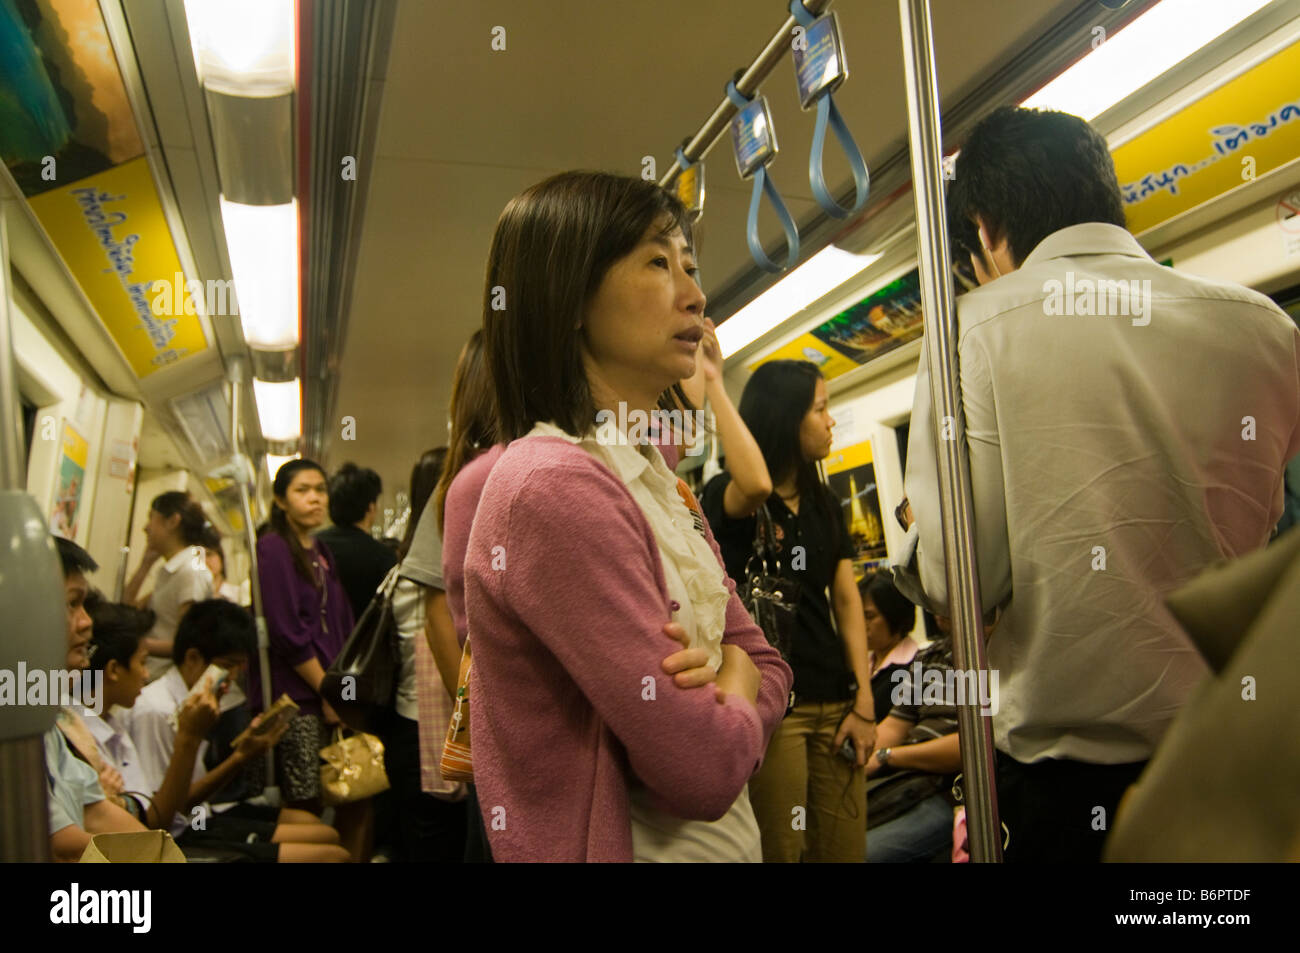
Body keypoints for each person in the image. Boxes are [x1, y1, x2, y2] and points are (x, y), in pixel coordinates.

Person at [897, 105, 1300, 862]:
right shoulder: (1266, 328)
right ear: (1105, 193)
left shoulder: (973, 331)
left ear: (982, 227)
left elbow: (959, 577)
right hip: (1239, 754)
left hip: (1065, 785)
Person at [468, 170, 793, 862]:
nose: (696, 295)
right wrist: (739, 685)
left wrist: (736, 676)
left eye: (690, 265)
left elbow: (767, 657)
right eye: (656, 261)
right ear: (571, 296)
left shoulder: (655, 478)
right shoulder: (553, 486)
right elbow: (701, 768)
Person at [700, 359, 876, 863]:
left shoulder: (824, 501)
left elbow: (846, 600)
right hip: (777, 711)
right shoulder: (730, 498)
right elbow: (755, 485)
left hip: (836, 702)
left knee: (845, 850)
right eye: (820, 409)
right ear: (786, 417)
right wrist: (713, 380)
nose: (830, 421)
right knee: (783, 850)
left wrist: (863, 699)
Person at [91, 597, 346, 862]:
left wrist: (242, 751)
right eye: (226, 667)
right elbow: (165, 814)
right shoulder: (155, 710)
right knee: (330, 854)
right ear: (192, 657)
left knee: (321, 831)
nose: (146, 675)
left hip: (200, 817)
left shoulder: (175, 707)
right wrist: (235, 756)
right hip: (184, 832)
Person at [254, 459, 363, 857]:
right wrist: (326, 691)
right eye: (303, 490)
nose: (315, 498)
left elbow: (340, 623)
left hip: (325, 690)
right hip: (293, 698)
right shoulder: (272, 548)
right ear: (281, 499)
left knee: (332, 799)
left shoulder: (321, 552)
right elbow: (287, 632)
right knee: (302, 802)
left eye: (320, 489)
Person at [373, 445, 469, 862]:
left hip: (404, 725)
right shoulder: (445, 573)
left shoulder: (398, 572)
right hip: (437, 727)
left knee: (424, 844)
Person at [46, 537, 148, 861]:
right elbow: (59, 845)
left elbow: (95, 810)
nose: (86, 622)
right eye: (72, 604)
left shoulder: (45, 716)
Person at [864, 614, 962, 864]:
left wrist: (888, 757)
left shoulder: (994, 656)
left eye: (869, 616)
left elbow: (972, 749)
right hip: (906, 779)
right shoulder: (932, 656)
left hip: (952, 791)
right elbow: (895, 725)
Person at [123, 491, 215, 679]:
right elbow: (125, 609)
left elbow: (186, 644)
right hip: (153, 675)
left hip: (165, 679)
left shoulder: (191, 572)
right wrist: (145, 565)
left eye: (151, 518)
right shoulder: (172, 570)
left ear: (173, 521)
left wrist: (137, 644)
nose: (146, 527)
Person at [316, 462, 398, 621]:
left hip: (322, 641)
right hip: (365, 643)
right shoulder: (383, 556)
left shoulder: (312, 547)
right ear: (371, 507)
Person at [862, 572, 921, 723]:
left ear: (895, 614)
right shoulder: (861, 665)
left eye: (869, 617)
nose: (861, 625)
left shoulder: (916, 668)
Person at [199, 526, 242, 604]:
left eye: (209, 555)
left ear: (221, 558)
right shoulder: (196, 597)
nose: (205, 561)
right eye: (200, 556)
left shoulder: (237, 595)